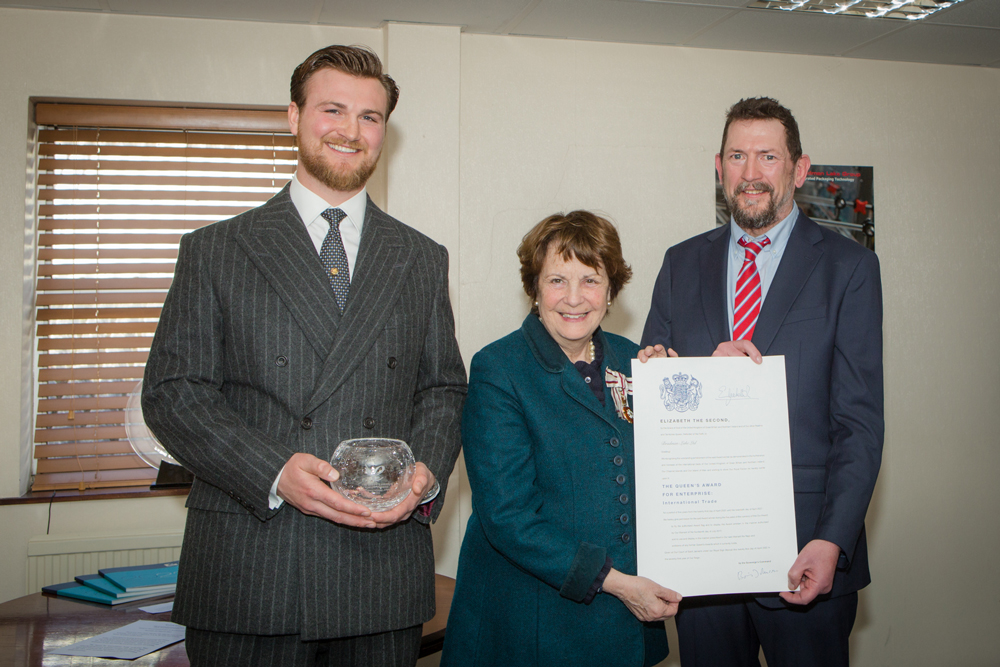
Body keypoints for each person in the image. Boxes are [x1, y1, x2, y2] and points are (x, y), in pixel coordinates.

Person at [142, 45, 467, 667]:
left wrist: (424, 472)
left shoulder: (421, 257)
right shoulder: (215, 250)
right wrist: (272, 470)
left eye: (370, 117)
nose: (351, 131)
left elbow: (443, 389)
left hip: (380, 570)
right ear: (294, 116)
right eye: (333, 109)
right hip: (251, 565)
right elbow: (173, 393)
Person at [641, 97, 883, 667]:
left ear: (799, 169)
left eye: (767, 156)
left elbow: (860, 423)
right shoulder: (679, 263)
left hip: (806, 556)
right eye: (737, 156)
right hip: (700, 558)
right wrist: (657, 375)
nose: (751, 173)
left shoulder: (848, 269)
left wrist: (832, 541)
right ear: (718, 166)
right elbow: (651, 399)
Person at [440, 211, 682, 667]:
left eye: (590, 280)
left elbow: (669, 475)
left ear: (611, 290)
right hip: (533, 618)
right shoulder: (499, 369)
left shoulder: (639, 365)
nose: (574, 298)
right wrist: (618, 582)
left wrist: (691, 389)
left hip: (624, 619)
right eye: (556, 280)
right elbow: (507, 515)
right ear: (534, 289)